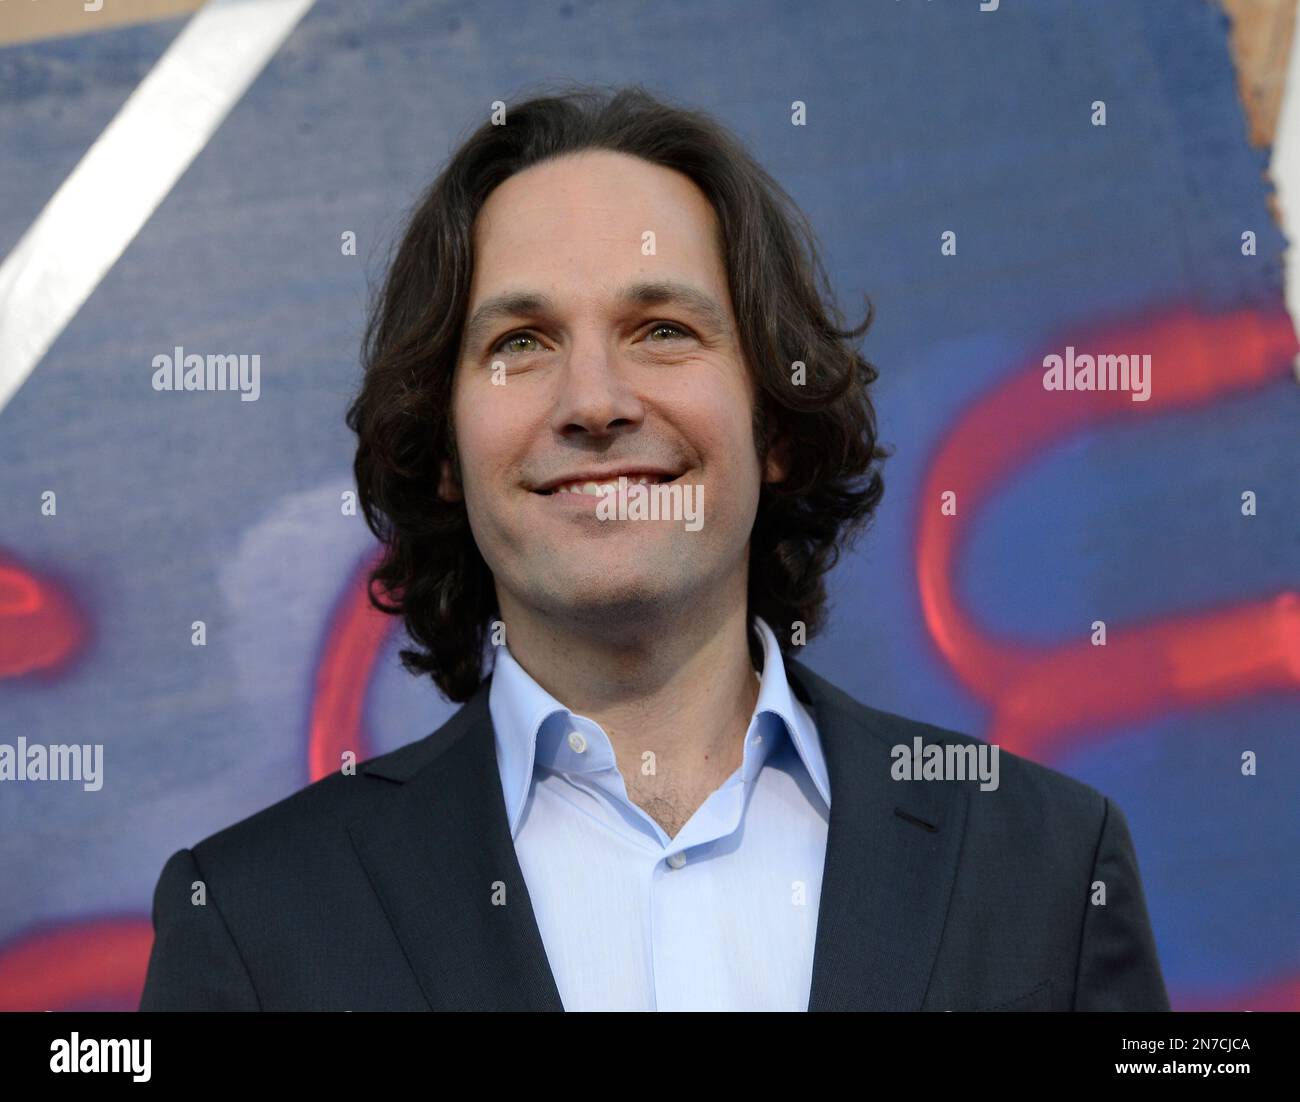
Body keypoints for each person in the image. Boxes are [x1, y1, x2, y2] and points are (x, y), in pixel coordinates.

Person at [139, 84, 1170, 1011]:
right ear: (442, 447)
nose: (594, 401)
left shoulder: (1043, 864)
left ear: (772, 419)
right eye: (520, 345)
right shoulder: (253, 922)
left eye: (663, 329)